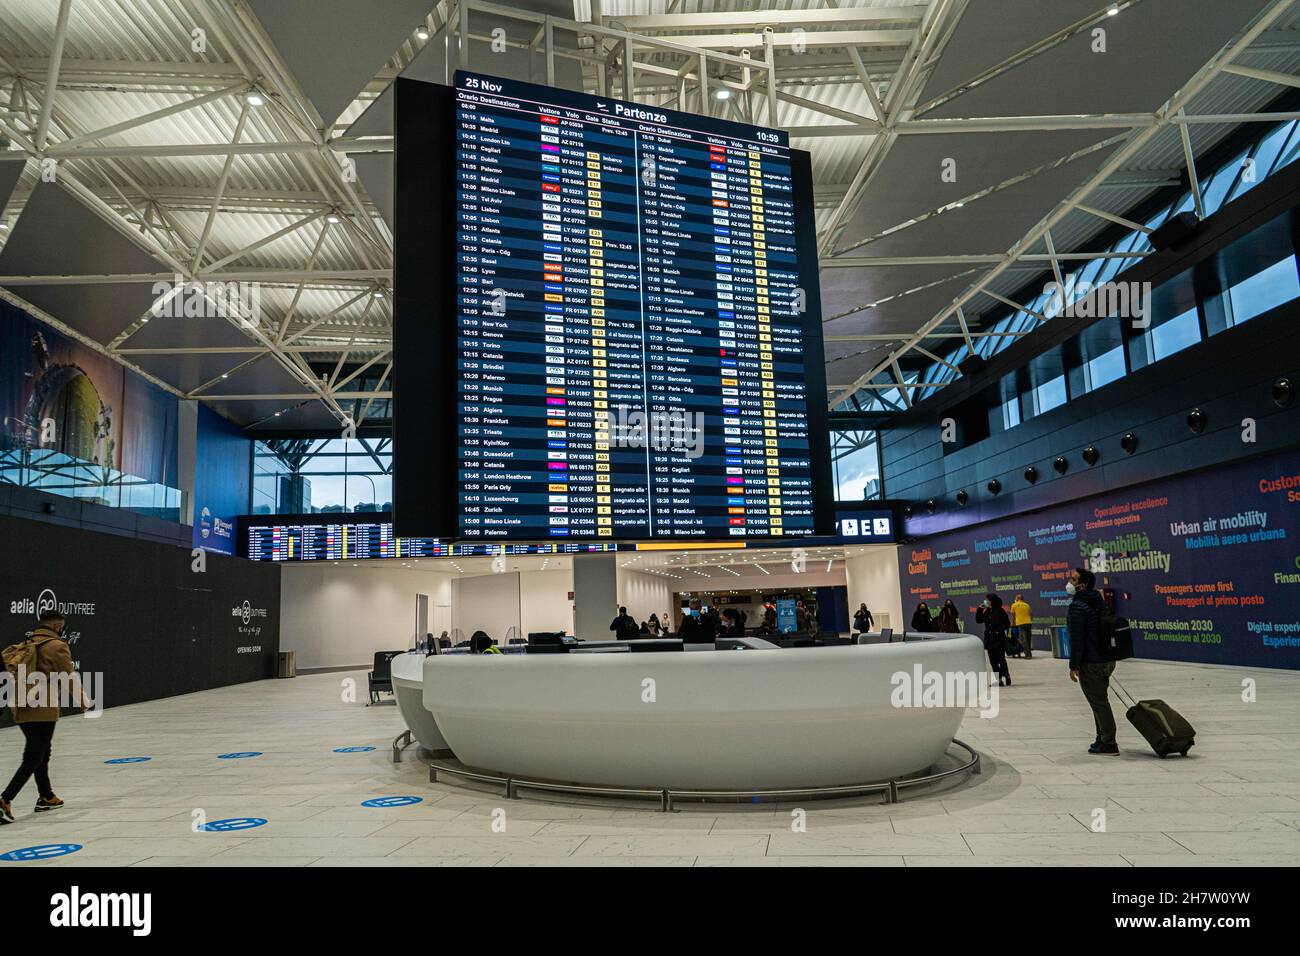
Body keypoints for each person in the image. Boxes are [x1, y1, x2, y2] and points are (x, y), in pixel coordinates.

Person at [2, 609, 83, 824]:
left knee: (42, 750)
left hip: (20, 705)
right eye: (62, 626)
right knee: (34, 756)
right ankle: (5, 799)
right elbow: (68, 677)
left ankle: (46, 796)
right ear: (57, 626)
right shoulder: (57, 646)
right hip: (42, 707)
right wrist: (84, 702)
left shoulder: (28, 643)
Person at [1068, 568, 1118, 755]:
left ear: (1083, 584)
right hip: (1107, 659)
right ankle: (1101, 738)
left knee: (1098, 702)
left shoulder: (1077, 607)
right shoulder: (1099, 602)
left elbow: (1077, 638)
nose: (1069, 582)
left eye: (1073, 579)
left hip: (1091, 661)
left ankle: (1109, 742)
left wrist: (1073, 665)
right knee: (1099, 699)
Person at [975, 594, 1012, 686]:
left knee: (1001, 659)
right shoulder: (986, 611)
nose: (986, 601)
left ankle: (1006, 675)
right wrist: (979, 609)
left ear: (992, 601)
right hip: (989, 639)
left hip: (999, 639)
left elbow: (1007, 624)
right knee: (993, 661)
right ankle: (998, 679)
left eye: (988, 600)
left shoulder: (1000, 611)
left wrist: (998, 631)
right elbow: (978, 620)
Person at [1009, 594, 1033, 658]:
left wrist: (1012, 624)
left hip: (1021, 623)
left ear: (1017, 598)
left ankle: (1027, 654)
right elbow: (1031, 615)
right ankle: (1029, 653)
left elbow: (1013, 616)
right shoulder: (1027, 605)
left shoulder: (1014, 605)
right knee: (1028, 639)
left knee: (1023, 640)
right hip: (1028, 623)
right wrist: (1030, 621)